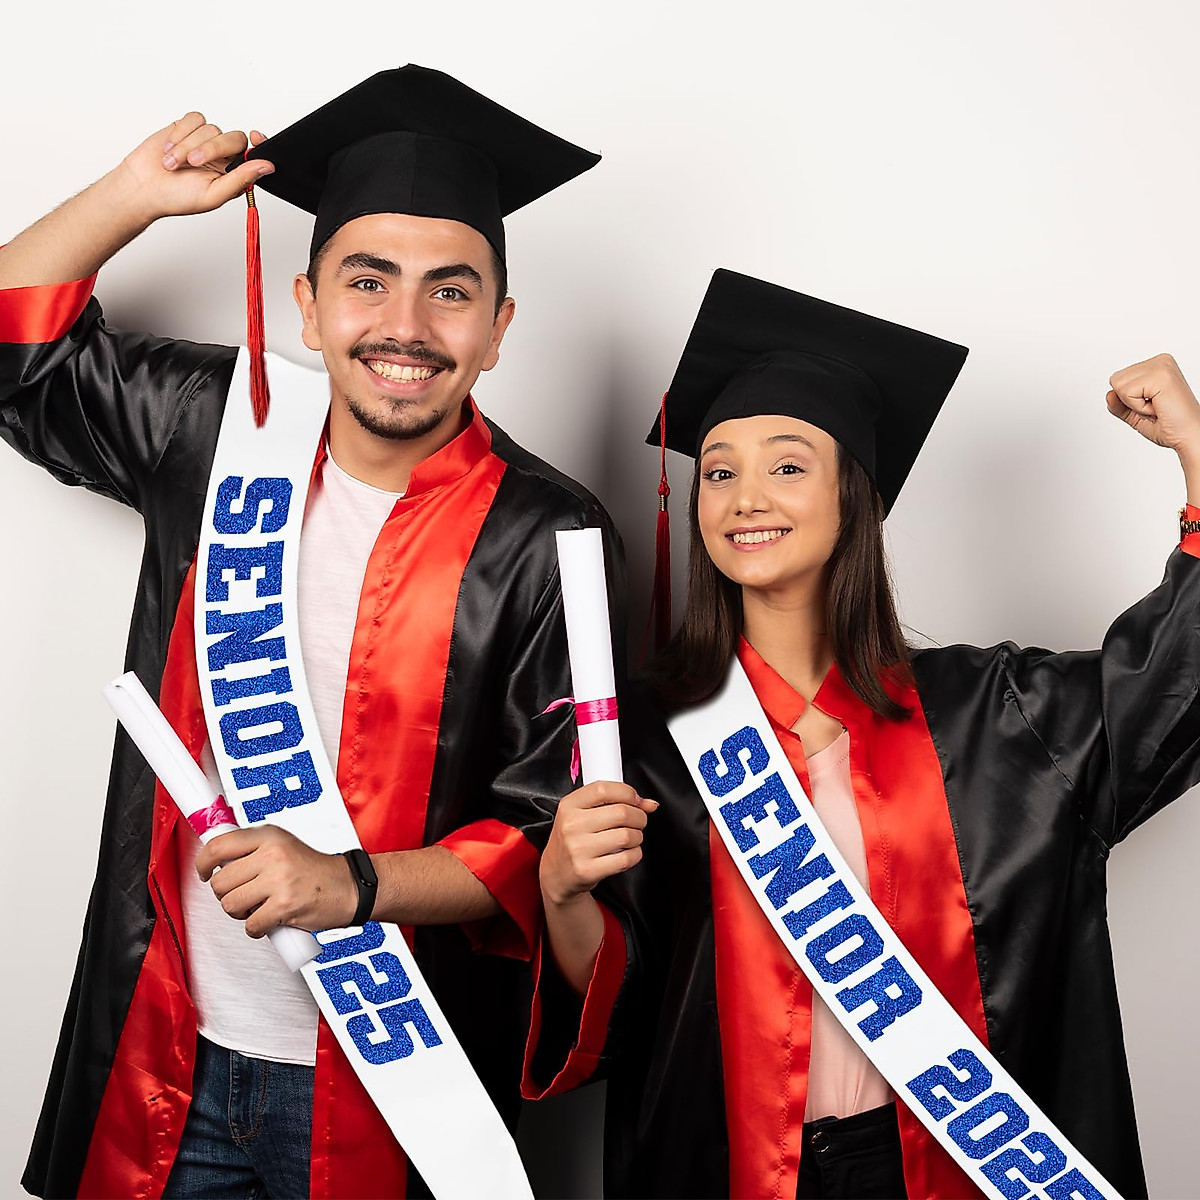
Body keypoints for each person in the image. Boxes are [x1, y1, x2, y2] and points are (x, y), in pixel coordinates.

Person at [0, 65, 621, 1199]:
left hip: (389, 1080)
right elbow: (12, 346)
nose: (404, 327)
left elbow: (549, 837)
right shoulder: (213, 428)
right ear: (306, 302)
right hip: (166, 1046)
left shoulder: (548, 534)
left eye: (449, 292)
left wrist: (352, 886)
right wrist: (131, 195)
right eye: (367, 280)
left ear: (498, 329)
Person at [525, 268, 1200, 1199]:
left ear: (856, 496)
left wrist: (1197, 452)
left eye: (787, 466)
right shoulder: (648, 740)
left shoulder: (997, 714)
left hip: (951, 1164)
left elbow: (1173, 683)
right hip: (742, 1170)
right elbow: (626, 1001)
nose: (744, 497)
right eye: (718, 471)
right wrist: (561, 891)